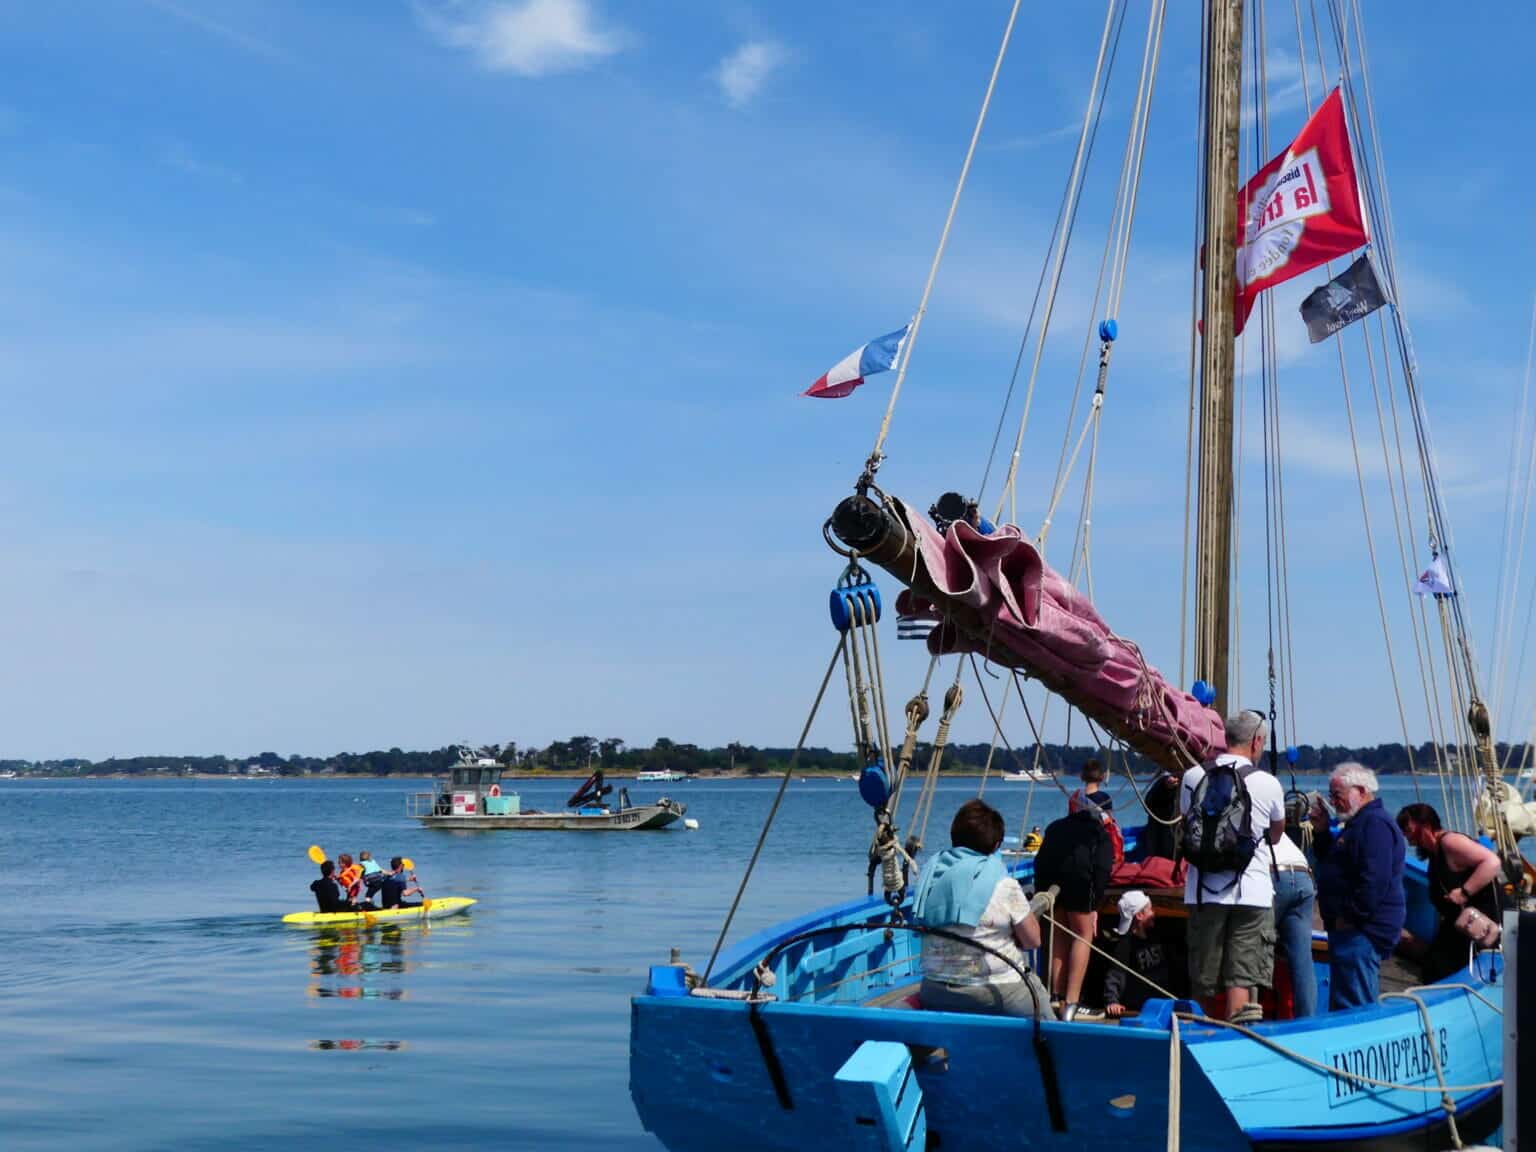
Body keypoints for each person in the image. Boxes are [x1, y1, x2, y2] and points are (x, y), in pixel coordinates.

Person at [1179, 709, 1286, 1023]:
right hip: (1250, 891)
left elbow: (1188, 822)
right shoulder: (1266, 782)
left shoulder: (1193, 775)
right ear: (1256, 742)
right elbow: (1276, 835)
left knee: (1203, 977)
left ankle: (1201, 1036)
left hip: (1203, 890)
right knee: (1242, 976)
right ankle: (1235, 1035)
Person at [913, 799, 1049, 1018]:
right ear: (996, 846)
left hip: (935, 991)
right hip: (995, 994)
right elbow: (1033, 941)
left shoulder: (929, 878)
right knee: (1037, 996)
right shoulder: (1005, 886)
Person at [1309, 763, 1406, 1011]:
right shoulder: (1358, 824)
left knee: (1354, 1004)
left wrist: (1349, 918)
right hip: (1351, 929)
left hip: (1361, 930)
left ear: (1360, 791)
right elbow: (1332, 859)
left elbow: (1374, 881)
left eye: (1337, 796)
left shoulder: (1374, 825)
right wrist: (1321, 832)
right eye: (1331, 796)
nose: (1333, 802)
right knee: (1346, 998)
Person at [1396, 803, 1503, 983]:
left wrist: (1464, 892)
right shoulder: (1434, 853)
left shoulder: (1450, 841)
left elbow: (1492, 862)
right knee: (1434, 966)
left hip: (1482, 920)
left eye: (1407, 828)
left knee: (1440, 966)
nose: (1406, 834)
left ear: (1424, 824)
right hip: (1459, 923)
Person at [1033, 791, 1115, 1021]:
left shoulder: (1056, 827)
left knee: (1059, 937)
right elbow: (1102, 869)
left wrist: (1043, 891)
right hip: (1081, 886)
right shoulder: (1099, 834)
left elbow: (1041, 861)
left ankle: (1055, 997)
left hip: (1054, 887)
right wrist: (1095, 905)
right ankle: (1071, 1002)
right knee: (1082, 935)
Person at [1269, 811, 1318, 1017]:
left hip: (1272, 873)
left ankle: (1250, 1021)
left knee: (1251, 951)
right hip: (1301, 873)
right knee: (1302, 959)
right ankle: (1307, 1023)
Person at [1102, 890, 1172, 1018]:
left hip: (1161, 1005)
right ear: (1139, 915)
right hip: (1139, 1009)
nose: (1154, 913)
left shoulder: (1155, 935)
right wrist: (1112, 1001)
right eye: (1150, 910)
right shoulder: (1125, 946)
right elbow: (1116, 974)